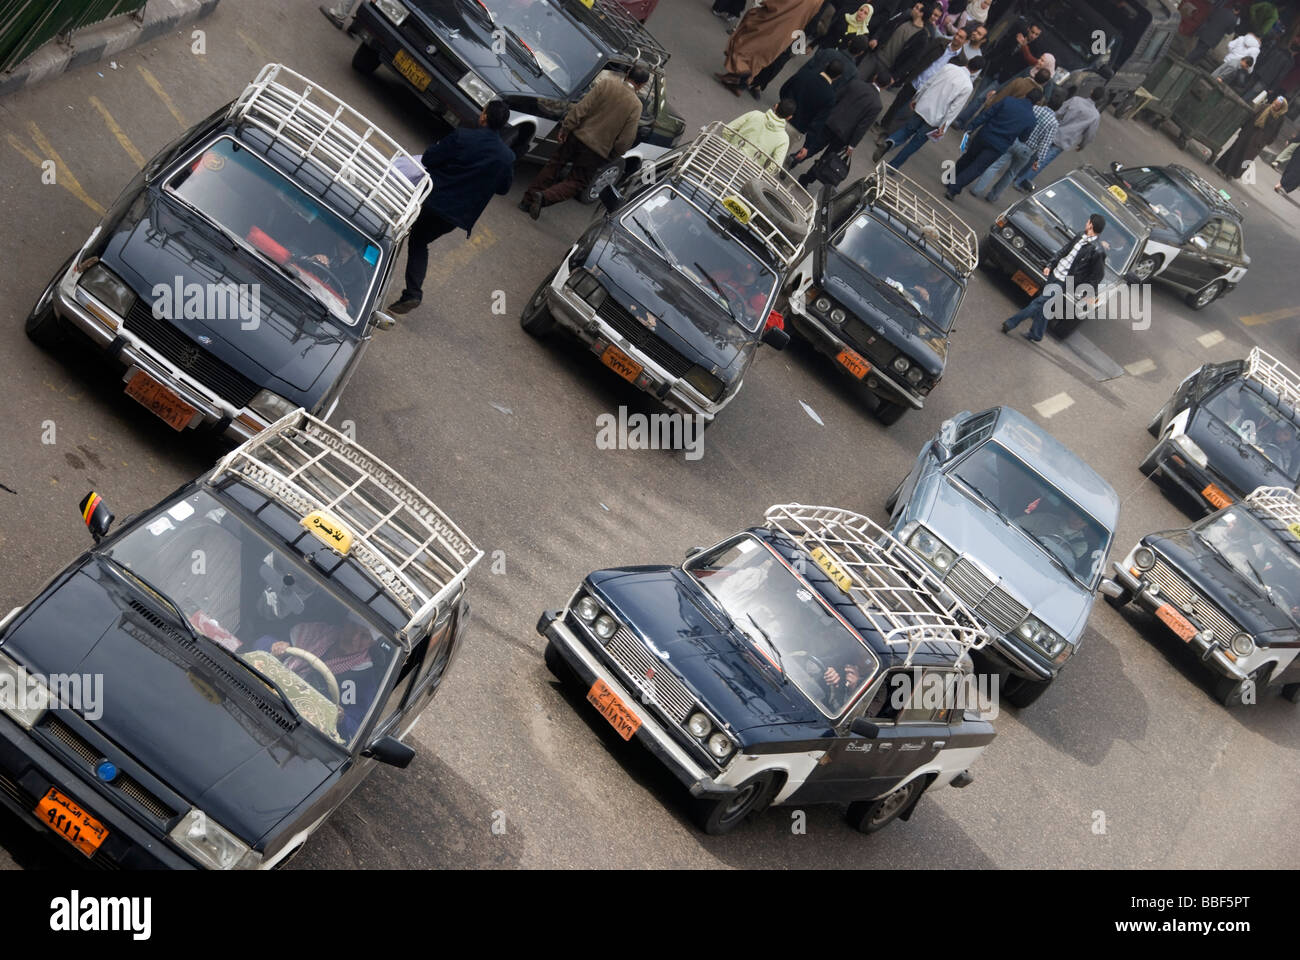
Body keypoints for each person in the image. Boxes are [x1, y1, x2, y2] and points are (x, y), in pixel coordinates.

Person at [388, 100, 515, 314]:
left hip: (429, 200)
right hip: (456, 217)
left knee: (395, 231)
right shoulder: (506, 157)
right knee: (419, 241)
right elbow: (503, 189)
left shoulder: (463, 136)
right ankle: (412, 293)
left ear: (484, 117)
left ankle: (374, 276)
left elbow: (430, 158)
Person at [520, 65, 648, 219]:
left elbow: (582, 107)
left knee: (554, 165)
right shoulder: (636, 105)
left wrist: (567, 127)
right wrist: (612, 155)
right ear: (641, 86)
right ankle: (544, 197)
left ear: (627, 74)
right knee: (577, 182)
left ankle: (527, 201)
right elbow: (626, 139)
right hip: (597, 151)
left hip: (577, 136)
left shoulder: (607, 84)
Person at [1001, 213, 1107, 342]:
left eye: (1088, 221)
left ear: (1091, 225)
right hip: (1055, 274)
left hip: (1065, 282)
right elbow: (1064, 251)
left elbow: (1098, 276)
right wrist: (1050, 265)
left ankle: (1011, 323)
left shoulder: (1097, 251)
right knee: (1045, 304)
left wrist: (1085, 291)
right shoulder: (1080, 236)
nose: (1086, 223)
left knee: (1039, 302)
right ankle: (1037, 334)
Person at [873, 55, 980, 167]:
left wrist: (917, 98)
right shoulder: (968, 86)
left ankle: (890, 142)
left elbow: (929, 82)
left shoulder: (949, 67)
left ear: (969, 61)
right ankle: (892, 166)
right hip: (935, 119)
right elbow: (955, 108)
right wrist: (944, 126)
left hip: (923, 106)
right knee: (914, 144)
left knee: (906, 130)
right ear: (976, 71)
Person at [791, 67, 889, 180]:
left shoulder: (856, 84)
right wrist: (852, 145)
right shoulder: (877, 104)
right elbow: (863, 126)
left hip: (830, 122)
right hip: (844, 135)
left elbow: (836, 98)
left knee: (813, 146)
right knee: (827, 159)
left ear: (875, 76)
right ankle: (806, 179)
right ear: (885, 86)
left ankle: (794, 160)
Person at [946, 85, 1040, 199]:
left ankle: (950, 178)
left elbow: (987, 114)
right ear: (1037, 102)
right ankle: (954, 189)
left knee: (968, 157)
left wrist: (972, 126)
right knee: (977, 168)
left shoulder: (1008, 101)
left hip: (985, 135)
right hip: (999, 146)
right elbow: (1023, 138)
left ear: (1026, 94)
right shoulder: (1031, 119)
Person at [716, 0, 826, 94]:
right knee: (760, 57)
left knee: (745, 43)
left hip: (771, 22)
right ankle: (739, 83)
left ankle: (742, 71)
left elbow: (776, 4)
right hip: (788, 31)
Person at [1011, 86, 1103, 193]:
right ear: (1100, 99)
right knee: (1042, 162)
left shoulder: (1076, 100)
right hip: (1065, 141)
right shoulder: (1095, 116)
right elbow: (1090, 134)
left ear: (1091, 91)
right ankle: (1021, 182)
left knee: (1036, 154)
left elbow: (1059, 112)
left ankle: (1018, 174)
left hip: (1054, 130)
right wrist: (1082, 145)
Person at [876, 26, 968, 131]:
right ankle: (883, 125)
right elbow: (922, 55)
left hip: (929, 89)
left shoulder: (961, 61)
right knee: (897, 104)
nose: (956, 38)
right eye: (957, 34)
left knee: (908, 114)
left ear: (966, 41)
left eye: (961, 37)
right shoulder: (940, 42)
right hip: (917, 78)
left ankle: (889, 134)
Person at [954, 20, 1042, 128]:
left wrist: (1023, 46)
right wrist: (987, 59)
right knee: (977, 96)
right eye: (1032, 32)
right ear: (1028, 29)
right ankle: (964, 120)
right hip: (995, 68)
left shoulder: (1035, 48)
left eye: (1036, 34)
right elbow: (1001, 47)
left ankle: (963, 121)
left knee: (983, 98)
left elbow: (1031, 61)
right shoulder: (1017, 34)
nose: (1033, 36)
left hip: (1005, 77)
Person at [972, 93, 1057, 202]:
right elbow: (1045, 143)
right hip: (1028, 151)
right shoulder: (1053, 123)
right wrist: (1038, 161)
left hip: (1015, 140)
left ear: (1047, 101)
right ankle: (992, 196)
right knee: (1011, 173)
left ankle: (977, 189)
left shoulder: (1034, 108)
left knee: (995, 165)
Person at [1215, 96, 1288, 181]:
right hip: (1249, 132)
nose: (1274, 105)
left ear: (1281, 108)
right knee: (1235, 151)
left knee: (1246, 159)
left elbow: (1275, 132)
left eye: (1277, 105)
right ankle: (1224, 170)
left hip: (1258, 141)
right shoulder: (1264, 107)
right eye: (1275, 103)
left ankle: (1232, 174)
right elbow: (1251, 116)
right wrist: (1243, 128)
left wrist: (1266, 141)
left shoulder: (1280, 118)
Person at [780, 56, 846, 134]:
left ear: (826, 65)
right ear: (838, 77)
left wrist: (783, 105)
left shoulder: (805, 73)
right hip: (796, 128)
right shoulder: (830, 96)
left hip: (780, 114)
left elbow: (784, 89)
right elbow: (819, 121)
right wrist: (808, 144)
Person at [726, 98, 798, 165]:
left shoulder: (755, 114)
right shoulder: (784, 139)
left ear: (776, 106)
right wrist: (758, 172)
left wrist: (729, 146)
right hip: (749, 169)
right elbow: (776, 166)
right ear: (789, 117)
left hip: (730, 154)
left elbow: (727, 130)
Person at [875, 2, 928, 74]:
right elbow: (888, 25)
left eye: (916, 8)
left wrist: (895, 75)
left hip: (887, 68)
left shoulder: (921, 36)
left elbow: (912, 59)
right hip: (876, 53)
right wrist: (876, 38)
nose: (913, 9)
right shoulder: (905, 17)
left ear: (921, 13)